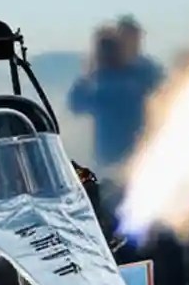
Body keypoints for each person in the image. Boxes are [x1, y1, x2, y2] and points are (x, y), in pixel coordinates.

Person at [66, 22, 164, 175]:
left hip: (128, 157)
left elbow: (76, 104)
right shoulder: (133, 76)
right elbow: (76, 104)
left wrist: (89, 71)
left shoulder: (104, 82)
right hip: (122, 158)